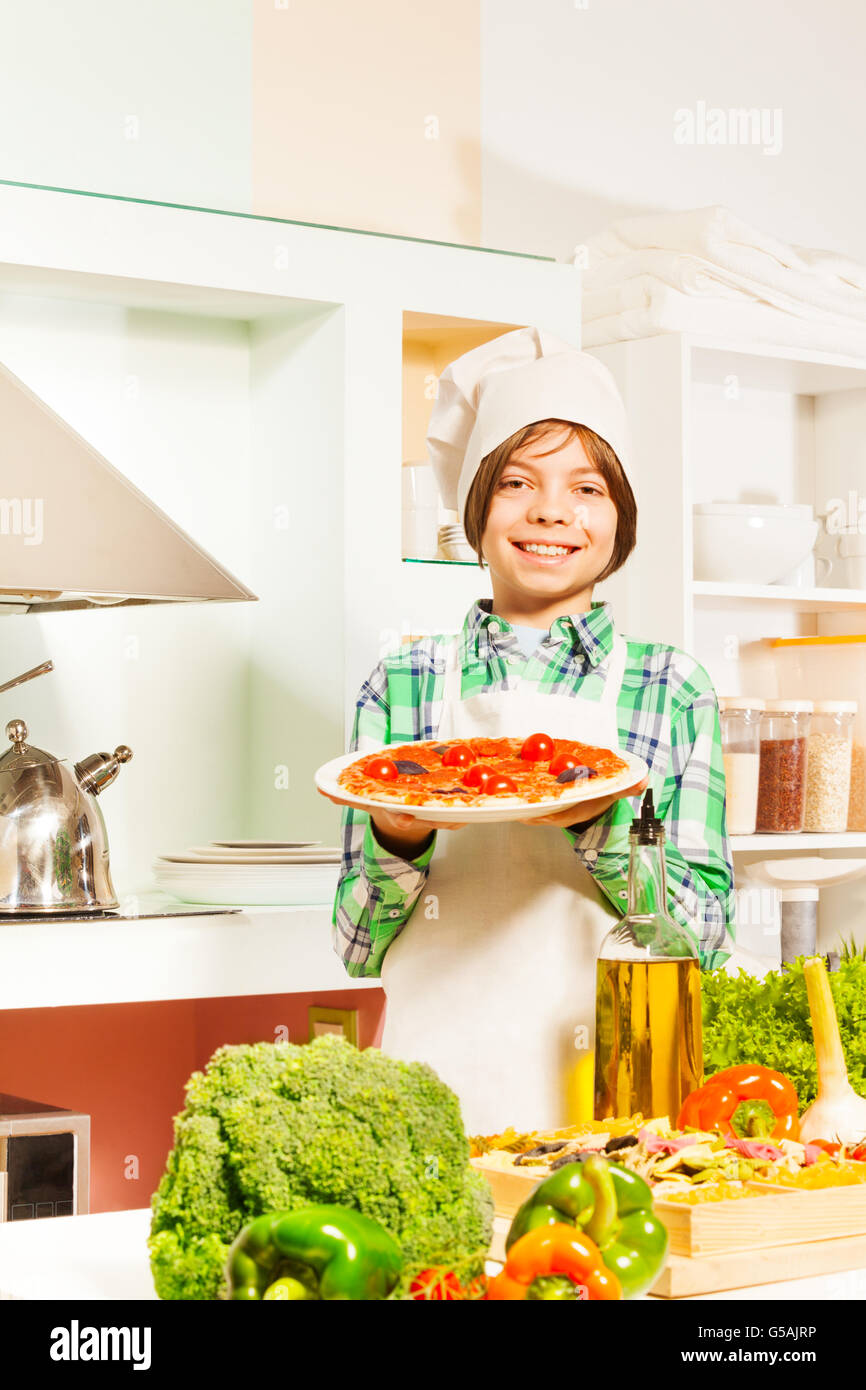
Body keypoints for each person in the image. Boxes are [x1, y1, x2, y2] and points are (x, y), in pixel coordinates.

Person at [322, 327, 735, 1135]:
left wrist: (604, 826)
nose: (550, 510)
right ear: (476, 512)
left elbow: (708, 940)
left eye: (588, 488)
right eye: (516, 482)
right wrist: (398, 838)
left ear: (620, 521)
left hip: (613, 1109)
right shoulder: (402, 683)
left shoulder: (671, 688)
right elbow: (356, 947)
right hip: (430, 1105)